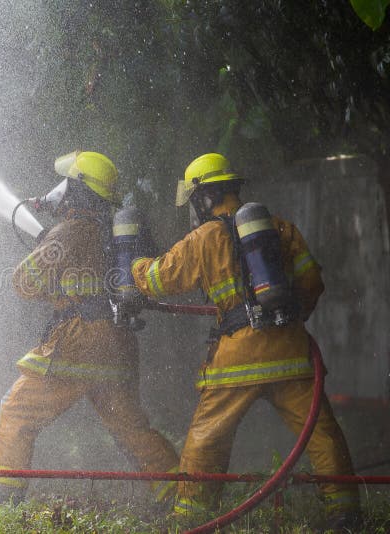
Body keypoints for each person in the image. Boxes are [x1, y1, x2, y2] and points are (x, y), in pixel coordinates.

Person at [130, 153, 361, 529]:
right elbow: (312, 283)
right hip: (290, 352)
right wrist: (289, 318)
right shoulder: (280, 228)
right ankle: (345, 511)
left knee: (207, 438)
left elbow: (159, 280)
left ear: (205, 197)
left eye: (195, 200)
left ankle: (191, 517)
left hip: (235, 361)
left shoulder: (203, 238)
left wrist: (134, 263)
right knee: (322, 432)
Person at [0, 150, 179, 506]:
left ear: (77, 190)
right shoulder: (112, 234)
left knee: (16, 411)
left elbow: (24, 282)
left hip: (78, 344)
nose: (59, 190)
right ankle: (180, 493)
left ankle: (1, 496)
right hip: (117, 344)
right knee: (131, 429)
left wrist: (47, 247)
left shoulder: (68, 232)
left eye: (67, 183)